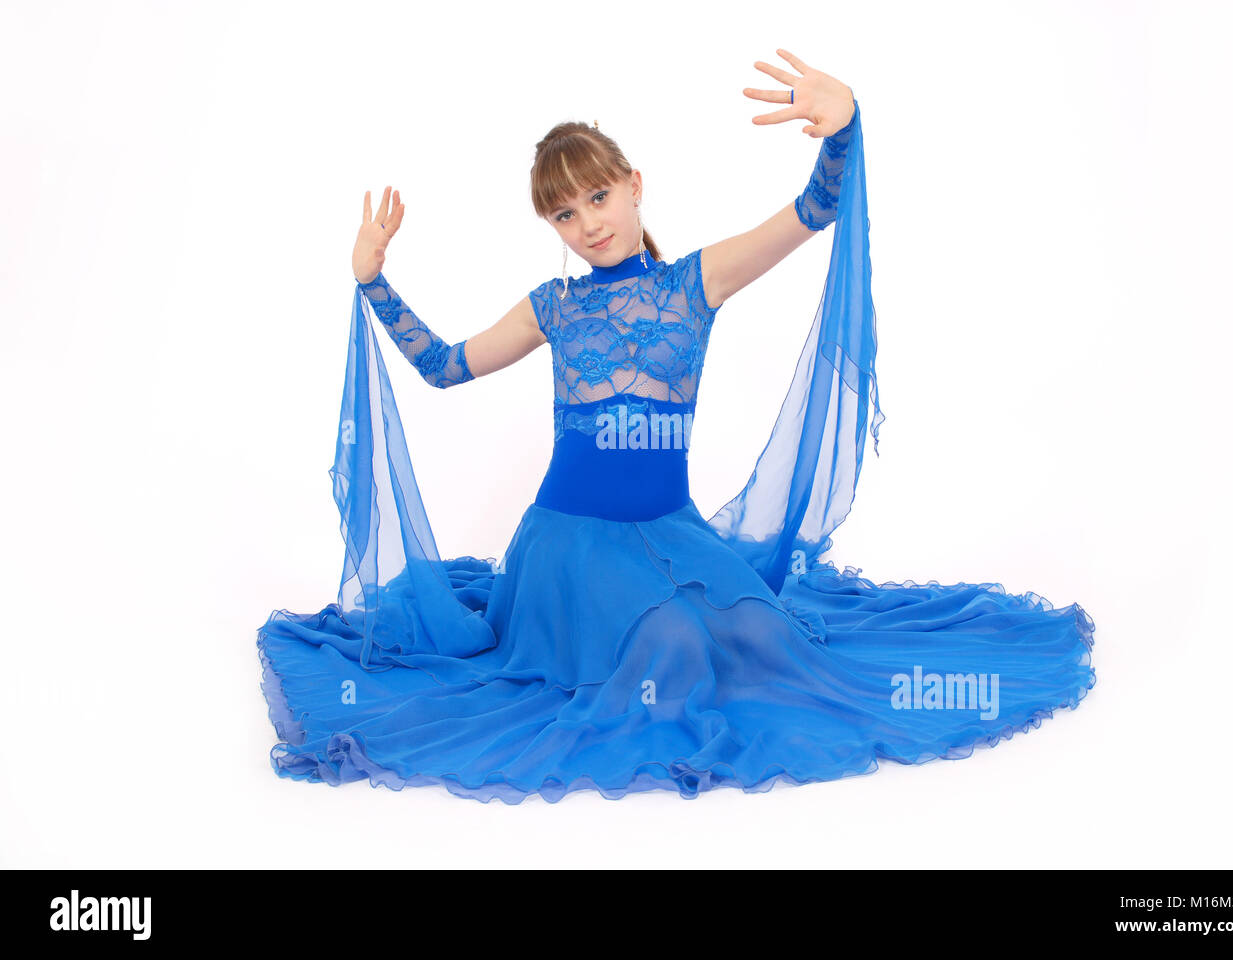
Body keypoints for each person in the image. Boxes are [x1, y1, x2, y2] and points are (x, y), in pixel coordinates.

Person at [256, 50, 1096, 804]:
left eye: (597, 195)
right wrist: (374, 284)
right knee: (672, 652)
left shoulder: (698, 281)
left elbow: (816, 208)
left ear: (633, 183)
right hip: (568, 545)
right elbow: (444, 365)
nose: (588, 223)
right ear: (551, 228)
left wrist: (845, 127)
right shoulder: (553, 307)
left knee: (765, 638)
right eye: (564, 214)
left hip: (670, 531)